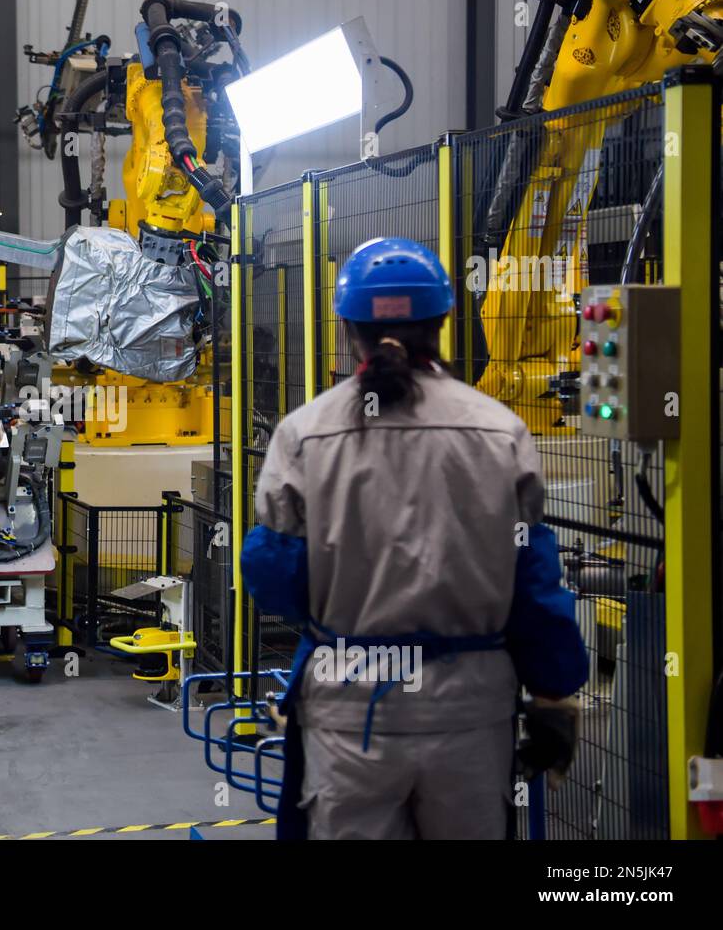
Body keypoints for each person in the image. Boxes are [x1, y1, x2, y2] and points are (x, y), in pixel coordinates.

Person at [242, 237, 588, 840]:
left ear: (349, 328)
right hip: (471, 712)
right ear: (444, 322)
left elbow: (276, 578)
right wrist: (555, 694)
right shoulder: (502, 432)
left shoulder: (304, 434)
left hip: (349, 707)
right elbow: (533, 583)